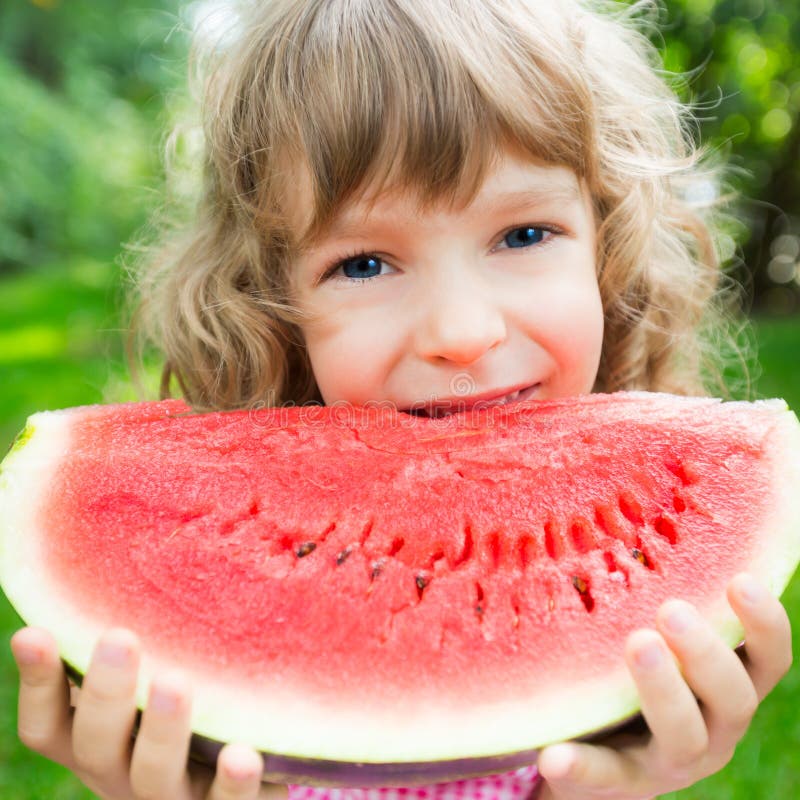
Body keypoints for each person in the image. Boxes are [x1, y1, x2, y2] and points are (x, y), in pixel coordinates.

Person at [10, 0, 793, 798]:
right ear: (272, 306)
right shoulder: (238, 726)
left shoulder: (633, 620)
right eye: (363, 264)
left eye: (523, 234)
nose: (461, 332)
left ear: (607, 248)